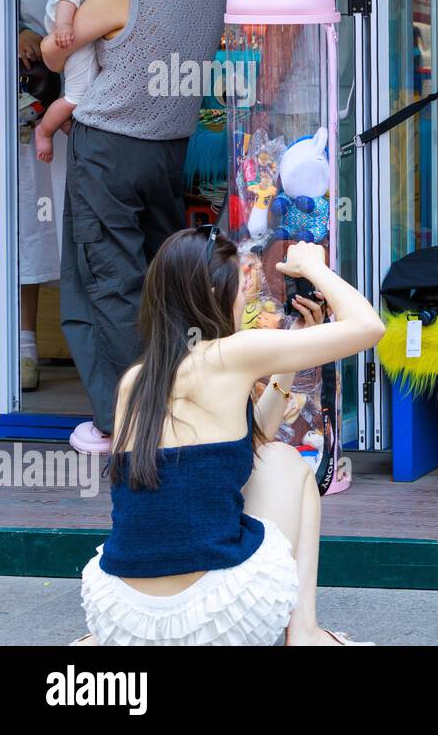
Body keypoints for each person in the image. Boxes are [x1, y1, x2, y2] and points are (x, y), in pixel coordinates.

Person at [76, 231, 385, 645]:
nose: (246, 303)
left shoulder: (136, 379)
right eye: (242, 291)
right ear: (214, 294)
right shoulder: (231, 353)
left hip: (122, 616)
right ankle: (306, 633)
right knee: (286, 461)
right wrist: (314, 266)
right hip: (215, 616)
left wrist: (289, 363)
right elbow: (368, 325)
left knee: (265, 457)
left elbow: (240, 450)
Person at [39, 0, 227, 455]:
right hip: (171, 153)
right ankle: (173, 404)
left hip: (108, 153)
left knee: (106, 284)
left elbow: (53, 51)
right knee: (161, 282)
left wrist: (58, 35)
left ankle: (121, 419)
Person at [15, 0, 126, 392]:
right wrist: (15, 35)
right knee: (27, 220)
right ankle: (23, 346)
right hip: (24, 101)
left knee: (78, 219)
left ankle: (98, 353)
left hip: (86, 101)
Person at [34, 0, 107, 164]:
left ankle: (65, 118)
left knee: (75, 91)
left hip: (79, 48)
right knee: (75, 97)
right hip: (77, 46)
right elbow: (68, 0)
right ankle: (44, 130)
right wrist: (64, 25)